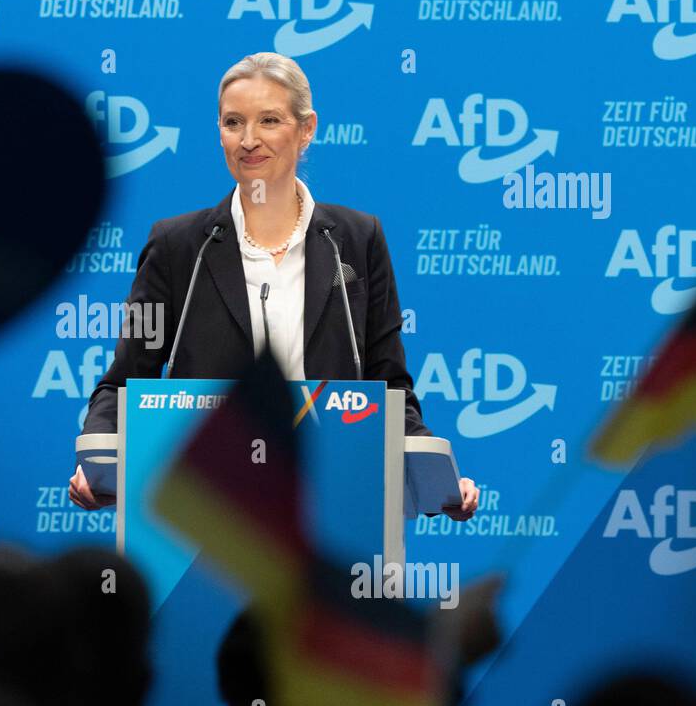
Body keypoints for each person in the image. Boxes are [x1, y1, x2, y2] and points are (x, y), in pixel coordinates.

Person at [69, 51, 479, 520]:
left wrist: (433, 472)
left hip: (331, 502)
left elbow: (388, 387)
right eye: (232, 122)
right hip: (205, 506)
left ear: (306, 130)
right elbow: (124, 383)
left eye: (269, 120)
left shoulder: (358, 240)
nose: (249, 140)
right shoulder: (178, 246)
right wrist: (98, 456)